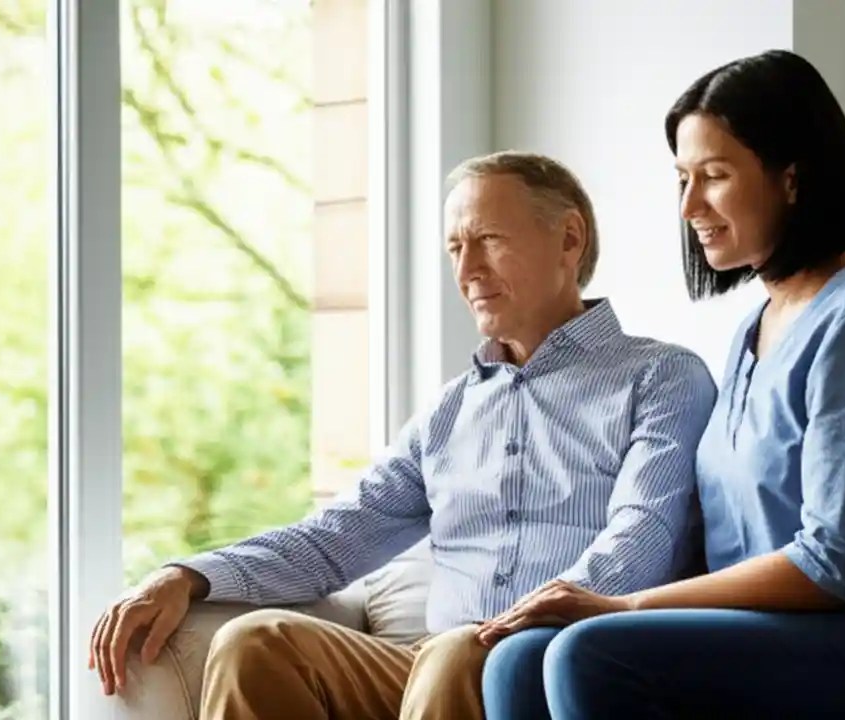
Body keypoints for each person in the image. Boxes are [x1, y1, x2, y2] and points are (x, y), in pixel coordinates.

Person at [86, 150, 717, 719]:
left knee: (457, 654)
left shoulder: (660, 376)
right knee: (257, 642)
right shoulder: (449, 411)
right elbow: (337, 537)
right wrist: (187, 575)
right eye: (454, 248)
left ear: (569, 239)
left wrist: (524, 618)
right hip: (429, 664)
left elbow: (644, 533)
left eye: (489, 239)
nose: (467, 269)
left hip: (548, 660)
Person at [477, 50, 845, 719]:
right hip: (773, 638)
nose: (689, 205)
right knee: (518, 657)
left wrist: (626, 606)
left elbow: (835, 565)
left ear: (793, 179)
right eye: (682, 179)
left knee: (590, 651)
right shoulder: (754, 327)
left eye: (714, 176)